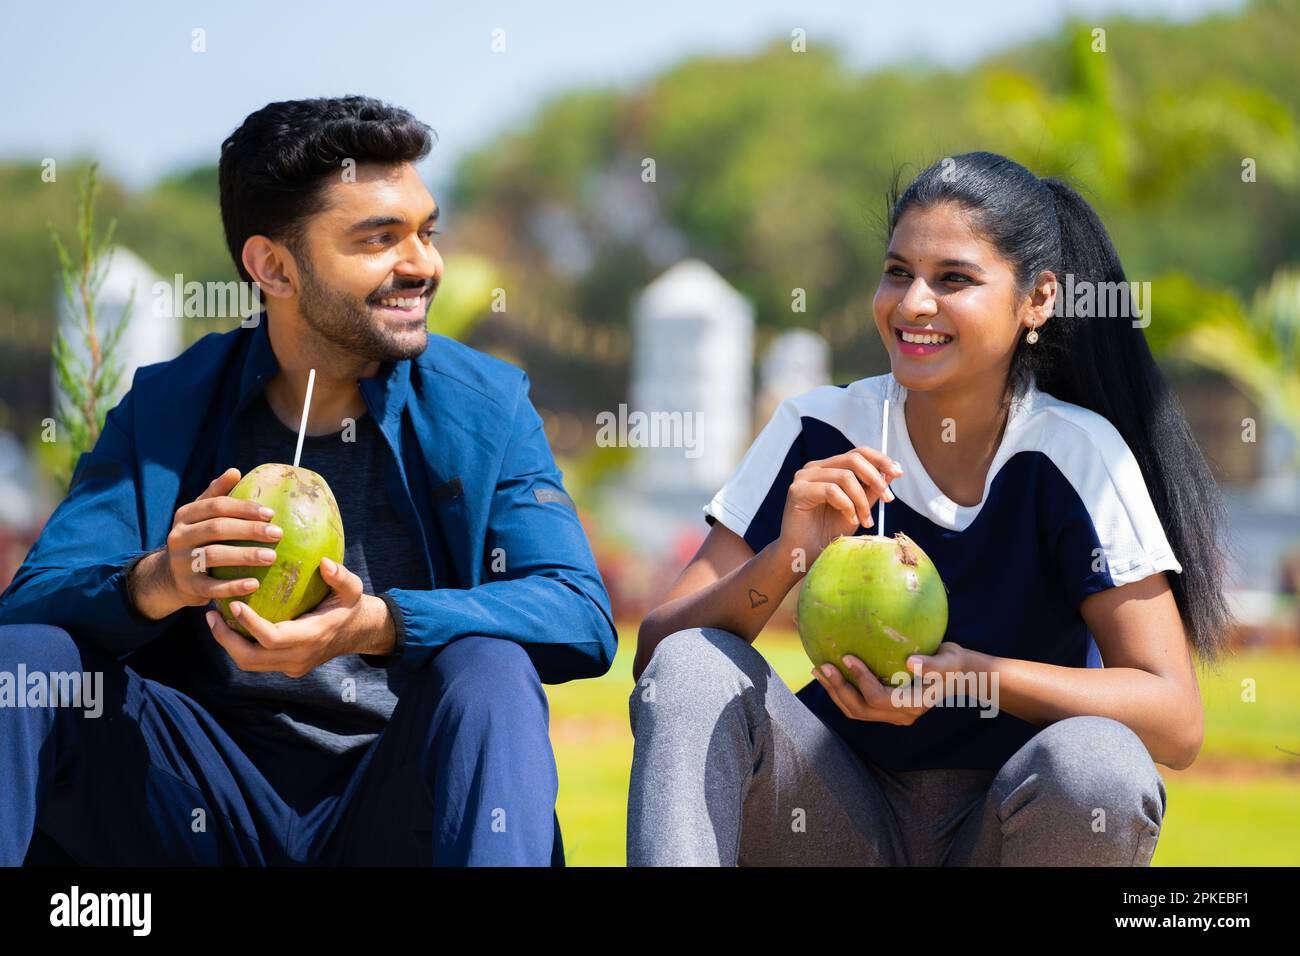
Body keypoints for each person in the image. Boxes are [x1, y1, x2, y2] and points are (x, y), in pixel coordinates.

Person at [0, 95, 617, 866]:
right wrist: (162, 578)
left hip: (394, 807)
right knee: (26, 663)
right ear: (273, 267)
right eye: (379, 239)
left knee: (488, 668)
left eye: (427, 233)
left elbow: (580, 614)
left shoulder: (484, 406)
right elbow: (29, 602)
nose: (422, 264)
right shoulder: (170, 406)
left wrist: (383, 624)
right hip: (193, 806)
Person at [627, 151, 1234, 867]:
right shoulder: (818, 431)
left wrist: (971, 676)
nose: (913, 303)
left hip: (1002, 832)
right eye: (897, 272)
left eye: (953, 279)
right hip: (826, 820)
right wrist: (789, 553)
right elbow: (661, 658)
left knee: (1099, 765)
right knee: (697, 664)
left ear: (1037, 299)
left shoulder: (1074, 454)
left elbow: (1174, 719)